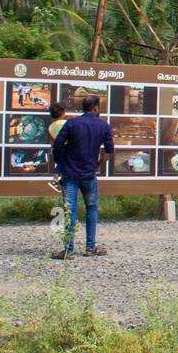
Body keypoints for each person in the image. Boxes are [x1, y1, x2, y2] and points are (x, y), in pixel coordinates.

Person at [50, 95, 114, 259]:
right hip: (89, 174)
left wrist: (60, 162)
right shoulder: (103, 125)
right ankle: (90, 247)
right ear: (96, 108)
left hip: (70, 174)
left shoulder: (71, 123)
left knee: (69, 210)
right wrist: (98, 164)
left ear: (84, 108)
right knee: (91, 208)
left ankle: (68, 251)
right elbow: (109, 151)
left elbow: (57, 145)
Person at [46, 103, 66, 194]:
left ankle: (58, 180)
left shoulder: (51, 127)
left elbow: (52, 141)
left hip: (58, 149)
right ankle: (55, 180)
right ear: (62, 112)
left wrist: (53, 150)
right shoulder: (67, 123)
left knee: (62, 163)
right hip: (68, 147)